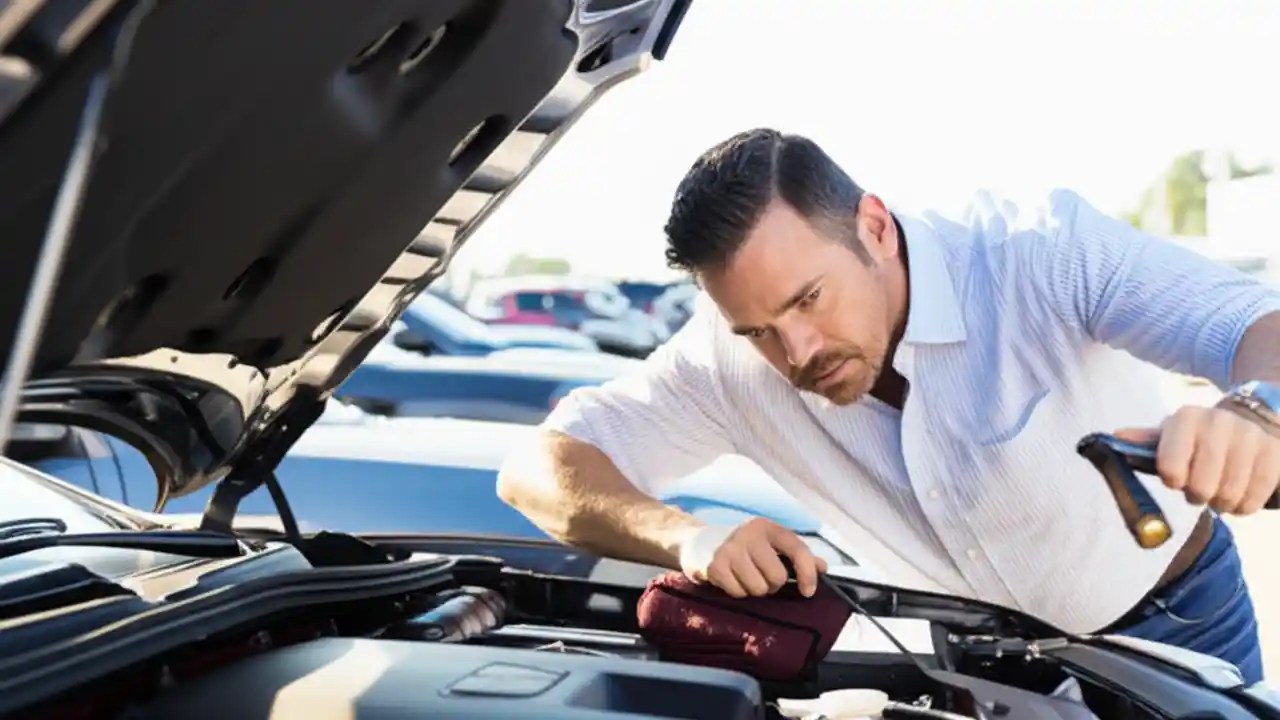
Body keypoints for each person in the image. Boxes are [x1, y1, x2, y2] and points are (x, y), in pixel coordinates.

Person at [496, 128, 1280, 683]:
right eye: (760, 329)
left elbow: (1255, 325)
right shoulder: (725, 362)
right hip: (979, 673)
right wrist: (686, 537)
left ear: (874, 227)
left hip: (1177, 625)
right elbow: (535, 469)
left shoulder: (1039, 254)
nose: (795, 352)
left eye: (809, 299)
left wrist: (1257, 412)